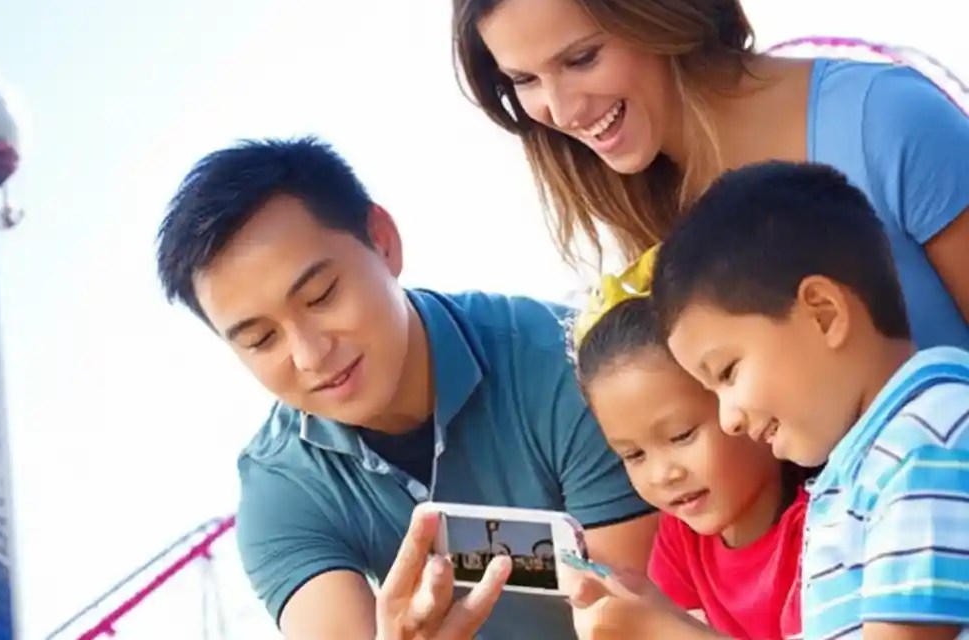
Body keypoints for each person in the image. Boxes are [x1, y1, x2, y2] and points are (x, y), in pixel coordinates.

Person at [154, 136, 659, 639]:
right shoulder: (280, 491)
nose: (310, 355)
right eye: (262, 339)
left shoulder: (569, 369)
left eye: (320, 295)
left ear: (383, 241)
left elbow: (628, 616)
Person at [450, 0, 969, 349]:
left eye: (582, 58)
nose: (561, 111)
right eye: (523, 80)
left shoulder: (885, 120)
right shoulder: (650, 219)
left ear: (657, 6)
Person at [651, 160, 969, 639]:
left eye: (728, 372)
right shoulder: (866, 466)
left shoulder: (925, 437)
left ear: (822, 314)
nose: (729, 418)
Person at [563, 248, 807, 639]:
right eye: (633, 454)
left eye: (681, 436)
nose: (663, 474)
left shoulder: (820, 528)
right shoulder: (681, 540)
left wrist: (661, 628)